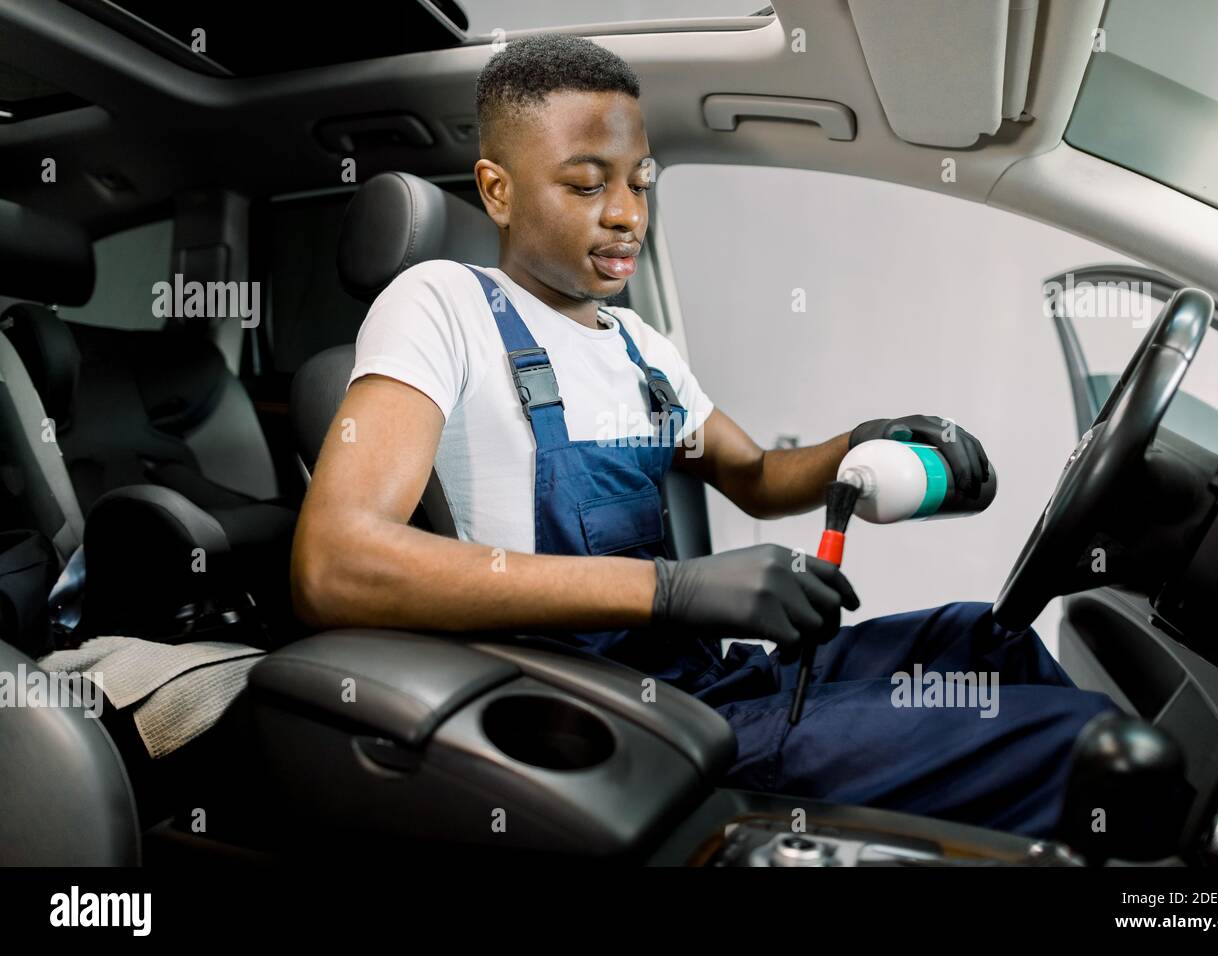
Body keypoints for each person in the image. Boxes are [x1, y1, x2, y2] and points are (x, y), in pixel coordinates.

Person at [291, 33, 1117, 839]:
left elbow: (755, 474)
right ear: (497, 190)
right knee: (1086, 754)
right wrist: (673, 590)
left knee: (982, 641)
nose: (624, 214)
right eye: (585, 185)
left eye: (639, 184)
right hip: (604, 723)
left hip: (707, 682)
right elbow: (336, 563)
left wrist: (866, 439)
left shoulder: (638, 346)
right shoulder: (443, 302)